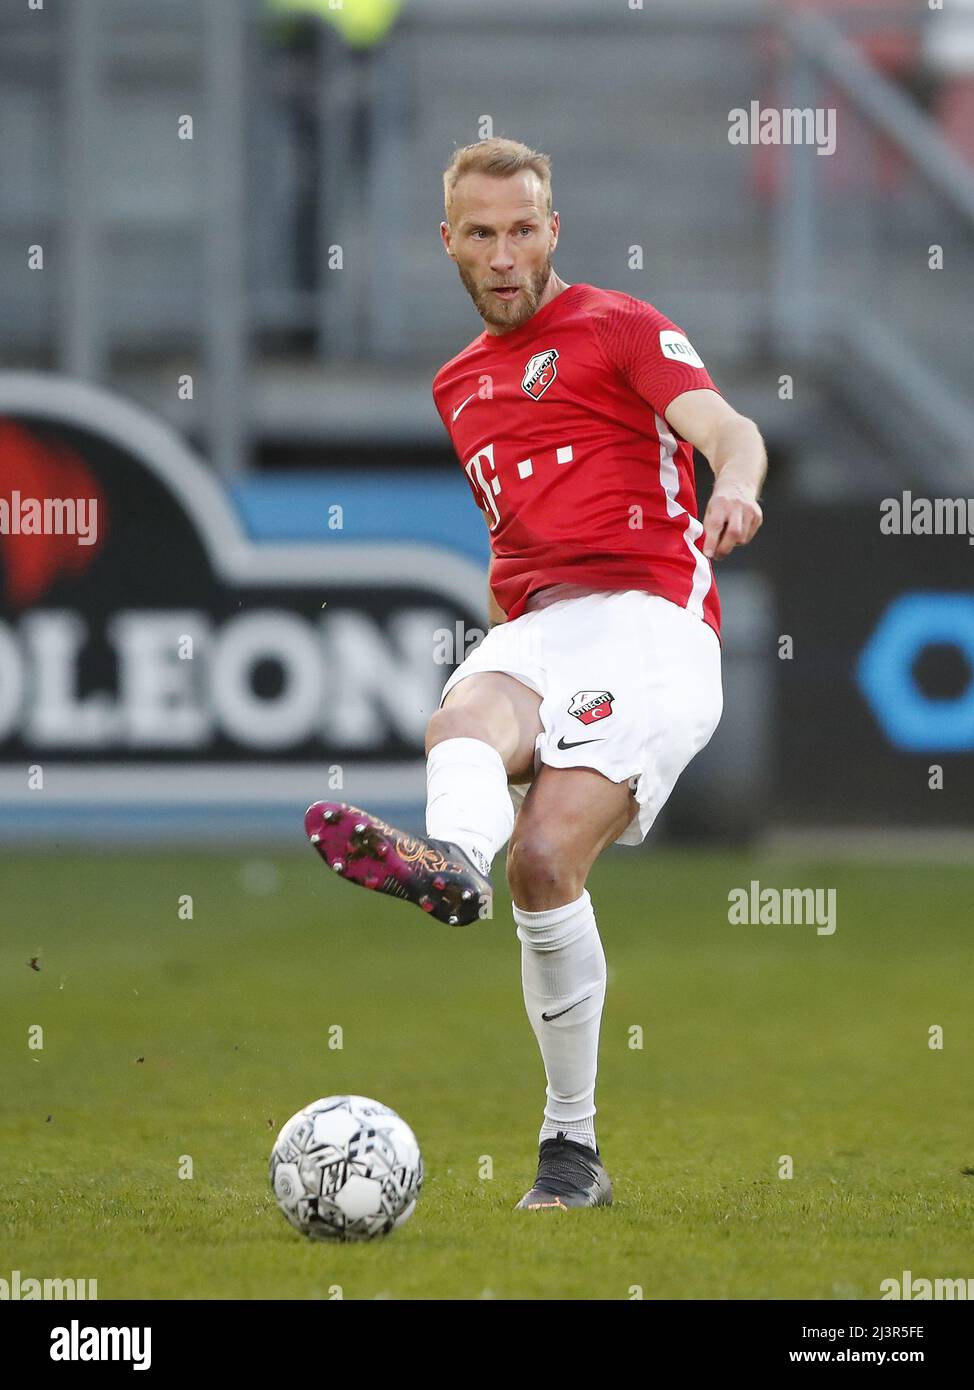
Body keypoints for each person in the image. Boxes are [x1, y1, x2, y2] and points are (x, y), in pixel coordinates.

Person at [306, 137, 766, 1211]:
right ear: (448, 242)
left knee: (549, 860)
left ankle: (570, 1150)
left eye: (523, 230)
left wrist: (735, 485)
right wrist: (507, 654)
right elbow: (510, 543)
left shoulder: (619, 327)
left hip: (651, 619)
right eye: (481, 233)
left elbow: (728, 428)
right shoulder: (455, 383)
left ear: (553, 230)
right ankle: (452, 858)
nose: (504, 254)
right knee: (459, 715)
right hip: (538, 625)